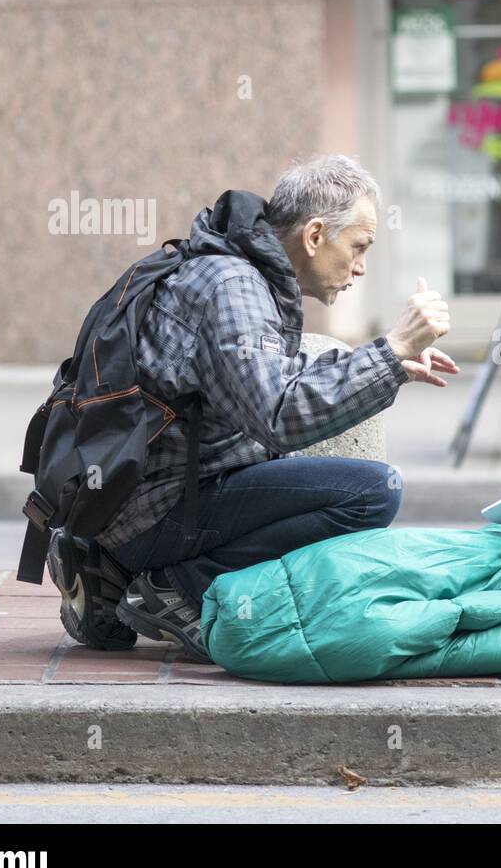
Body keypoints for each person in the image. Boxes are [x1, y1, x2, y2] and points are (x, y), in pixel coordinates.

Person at [48, 155, 458, 662]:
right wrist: (390, 351)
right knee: (374, 492)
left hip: (133, 501)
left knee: (331, 480)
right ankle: (174, 587)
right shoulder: (234, 286)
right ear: (313, 236)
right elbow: (279, 414)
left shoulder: (231, 268)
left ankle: (108, 570)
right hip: (155, 510)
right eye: (358, 246)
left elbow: (266, 377)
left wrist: (388, 361)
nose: (360, 267)